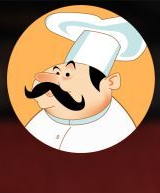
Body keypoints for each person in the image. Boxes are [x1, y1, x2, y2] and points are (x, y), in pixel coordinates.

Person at [23, 12, 147, 153]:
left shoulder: (118, 131)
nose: (51, 80)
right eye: (56, 71)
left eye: (68, 75)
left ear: (111, 83)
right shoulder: (38, 121)